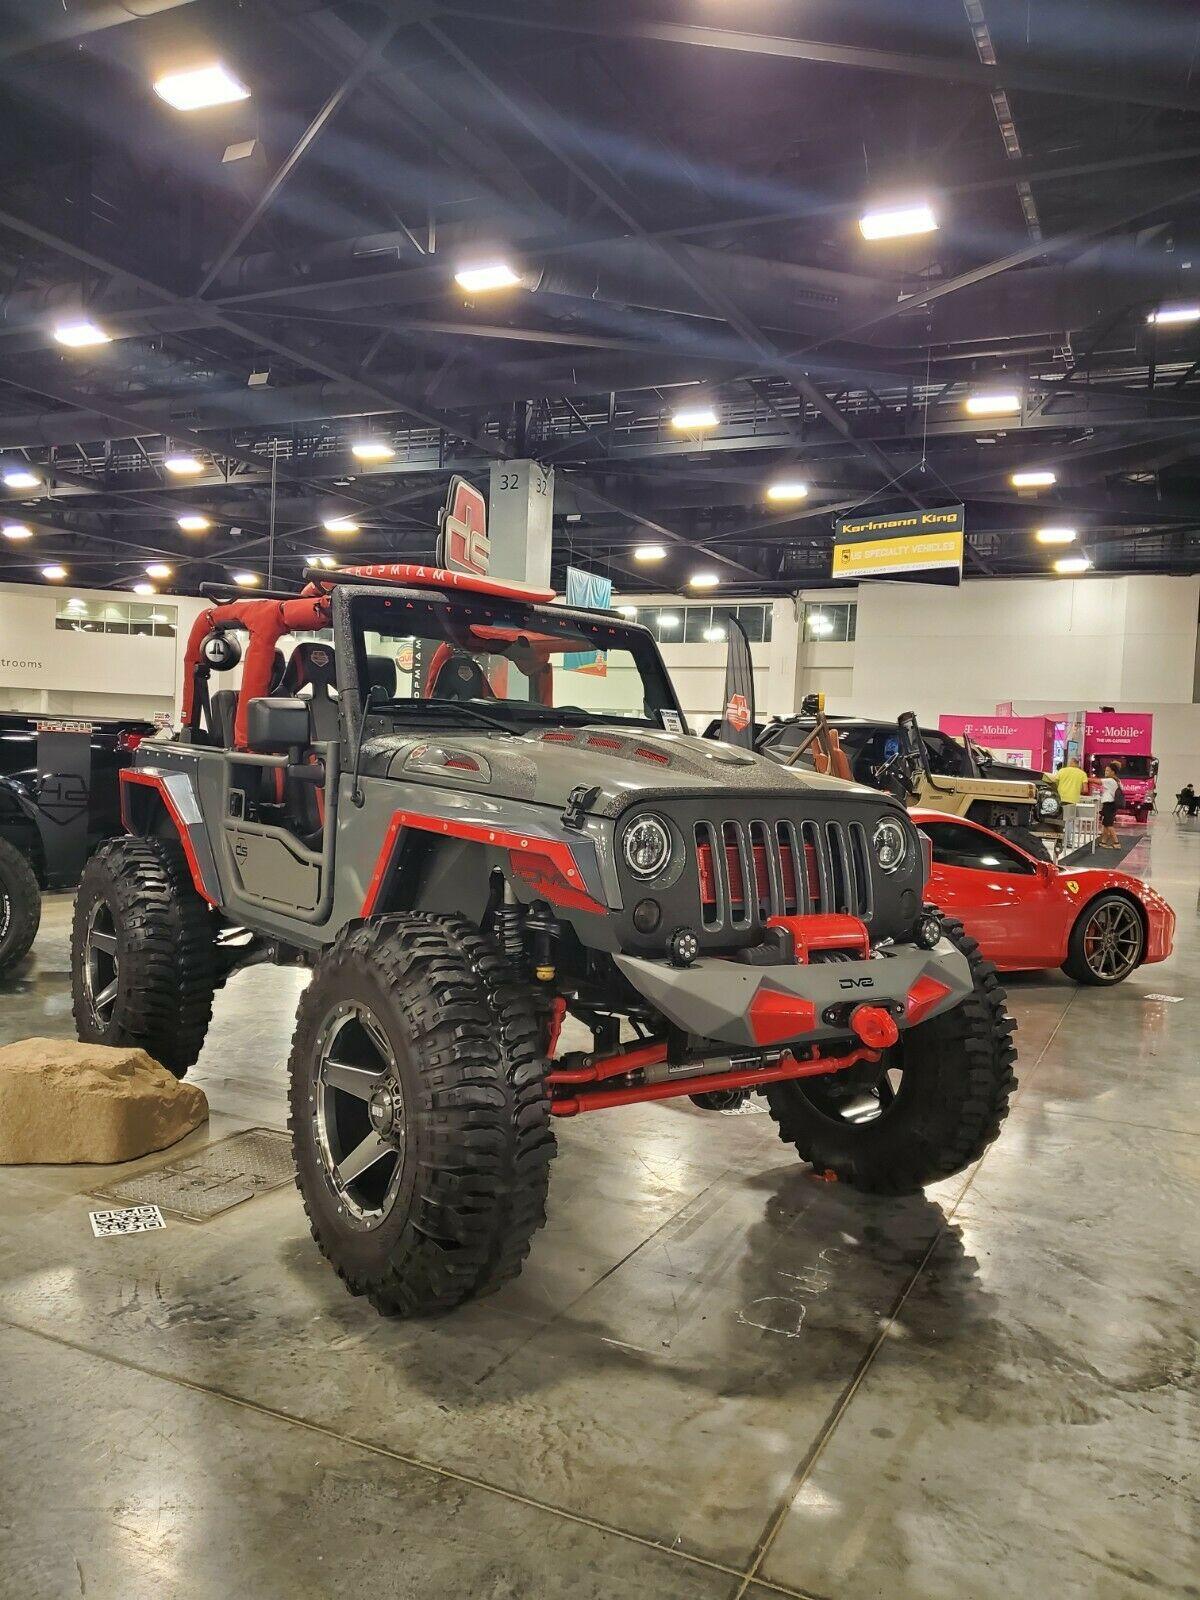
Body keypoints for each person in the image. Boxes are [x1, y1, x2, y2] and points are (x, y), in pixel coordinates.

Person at [1097, 763, 1121, 849]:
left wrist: (1083, 778)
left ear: (1113, 772)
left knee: (1109, 825)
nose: (1105, 772)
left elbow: (1096, 781)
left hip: (1109, 805)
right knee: (1106, 824)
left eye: (1107, 770)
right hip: (1112, 805)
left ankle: (1116, 842)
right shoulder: (1117, 781)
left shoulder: (1110, 780)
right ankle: (1103, 842)